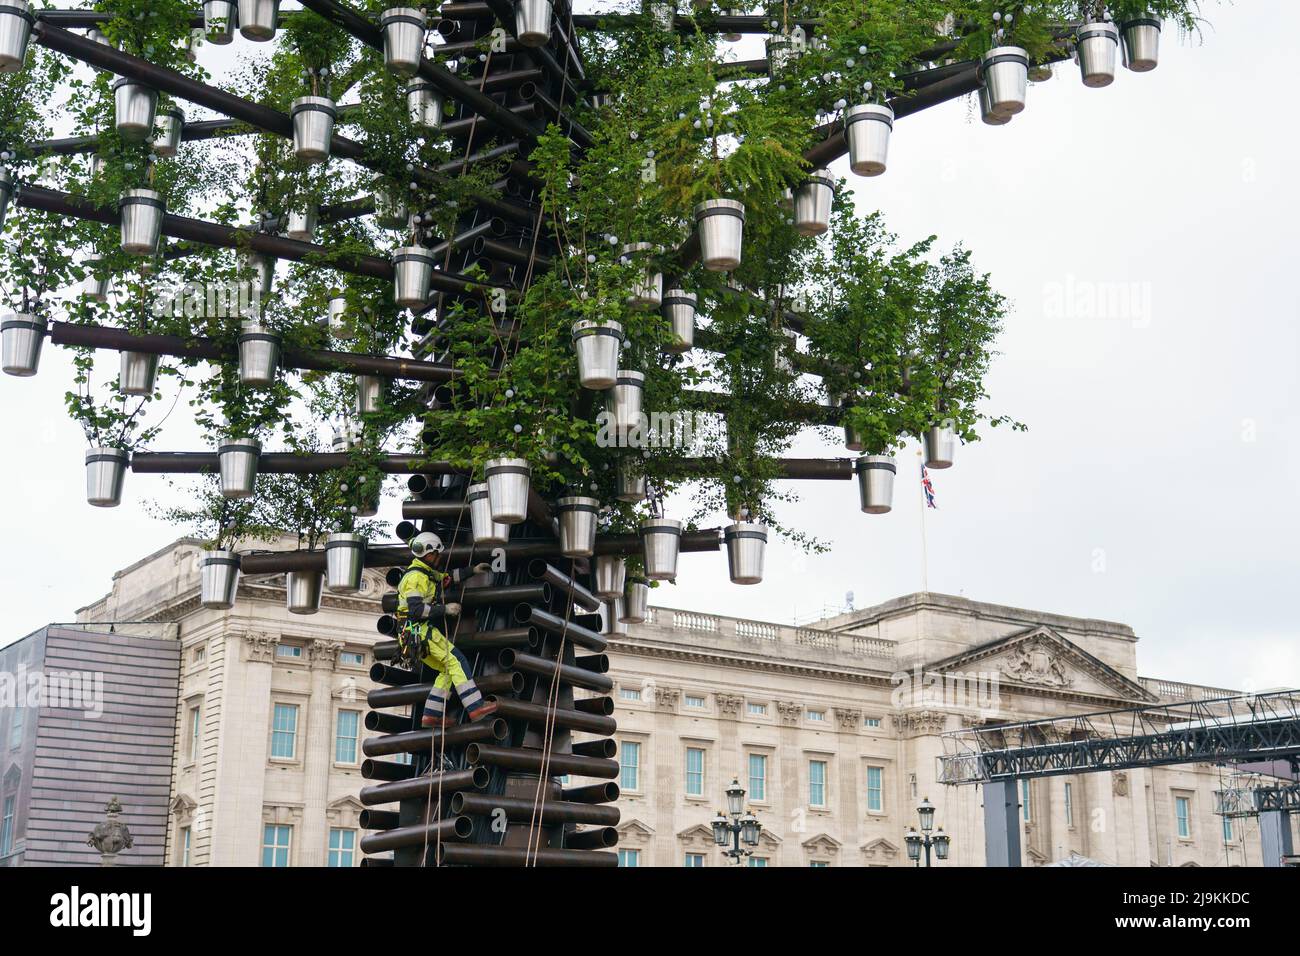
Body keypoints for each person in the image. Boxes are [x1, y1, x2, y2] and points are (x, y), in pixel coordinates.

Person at [396, 531, 497, 727]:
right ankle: (475, 706)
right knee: (457, 661)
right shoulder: (416, 577)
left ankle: (431, 715)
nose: (440, 557)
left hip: (413, 634)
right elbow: (416, 609)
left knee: (446, 670)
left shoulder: (425, 573)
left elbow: (447, 578)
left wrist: (473, 570)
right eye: (437, 553)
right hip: (420, 631)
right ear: (429, 553)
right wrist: (445, 609)